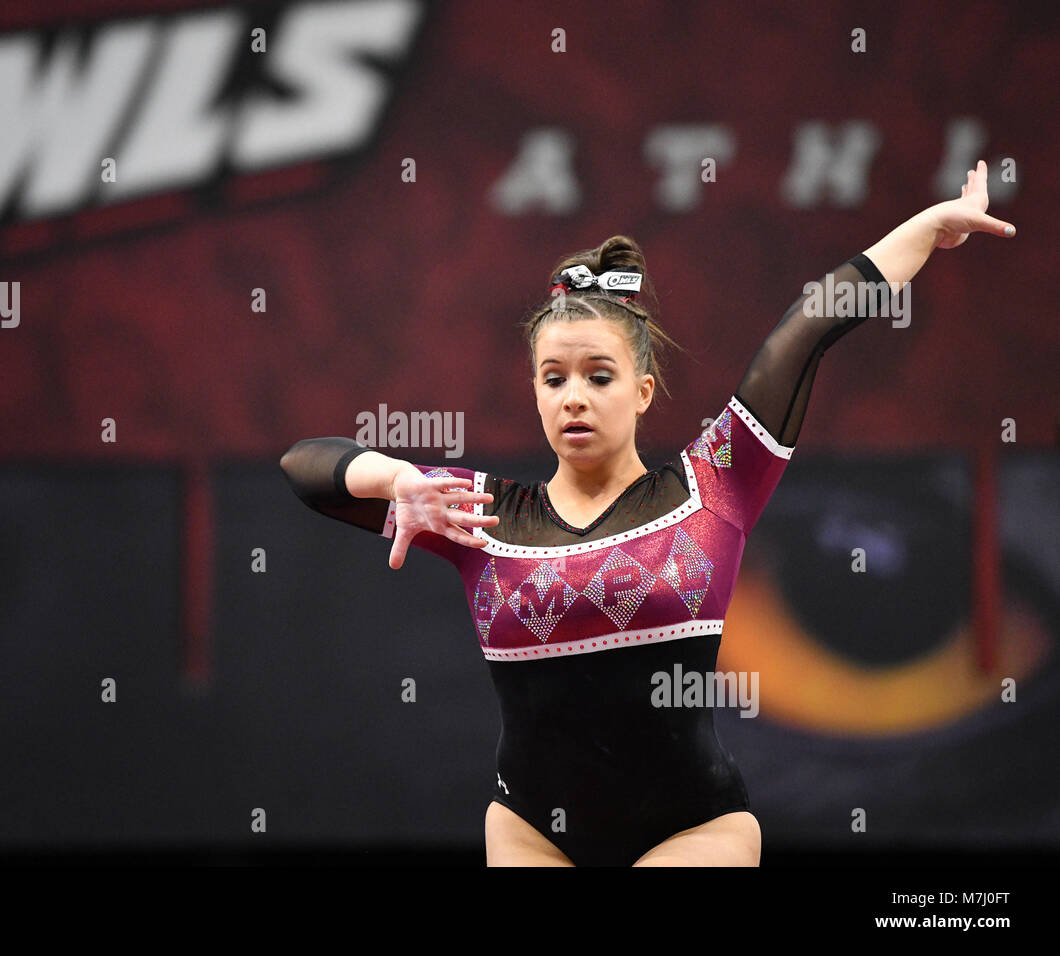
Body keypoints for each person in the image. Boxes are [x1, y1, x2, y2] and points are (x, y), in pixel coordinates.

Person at [279, 161, 1015, 865]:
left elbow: (807, 329)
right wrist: (395, 475)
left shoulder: (714, 484)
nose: (574, 396)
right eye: (553, 377)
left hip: (694, 827)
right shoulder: (476, 513)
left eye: (599, 376)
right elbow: (306, 469)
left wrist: (925, 229)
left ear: (643, 390)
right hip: (534, 828)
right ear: (535, 393)